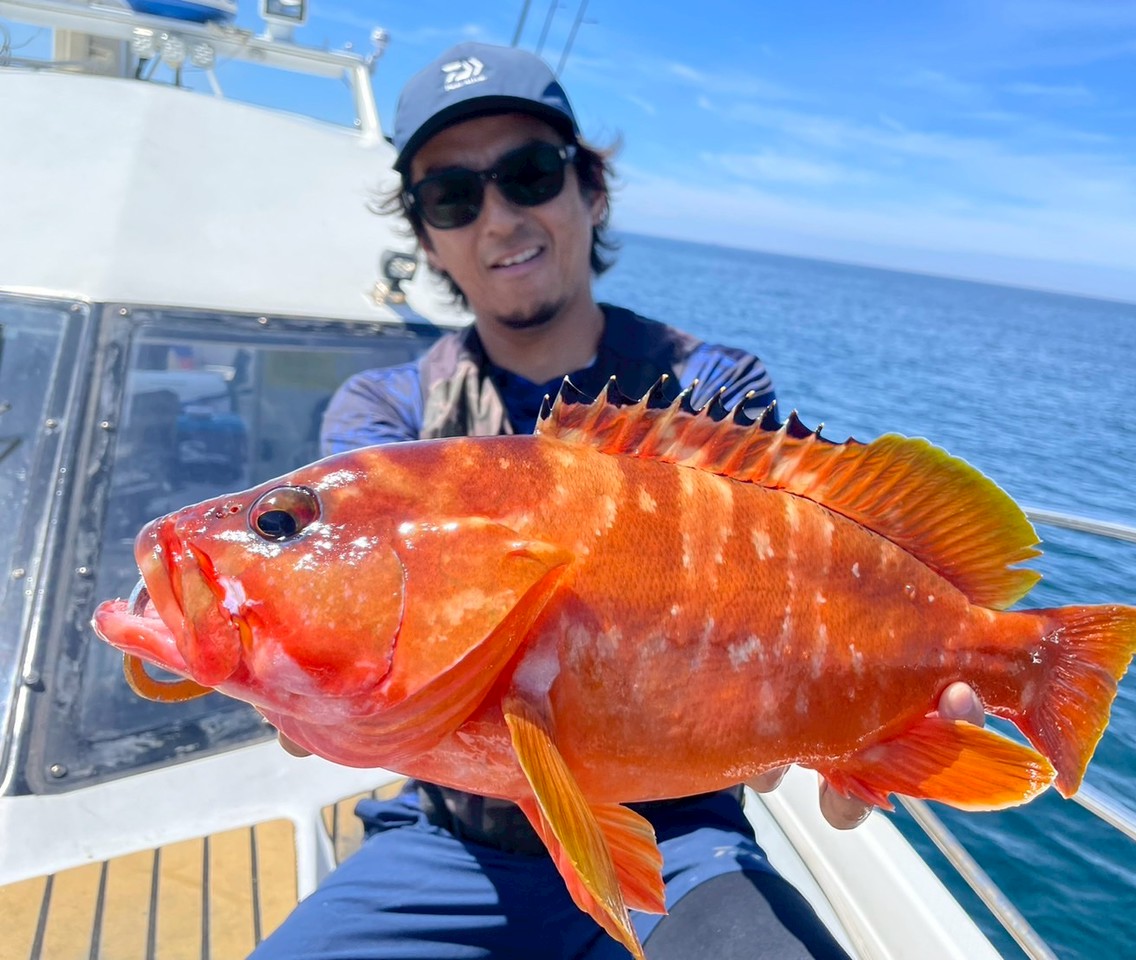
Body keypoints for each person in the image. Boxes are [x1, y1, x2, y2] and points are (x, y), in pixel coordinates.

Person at [250, 40, 985, 960]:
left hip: (682, 834)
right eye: (452, 195)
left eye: (529, 172)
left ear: (588, 192)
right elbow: (369, 633)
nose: (499, 217)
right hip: (451, 839)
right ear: (428, 234)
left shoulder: (708, 383)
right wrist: (296, 675)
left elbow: (796, 586)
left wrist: (857, 721)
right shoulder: (391, 416)